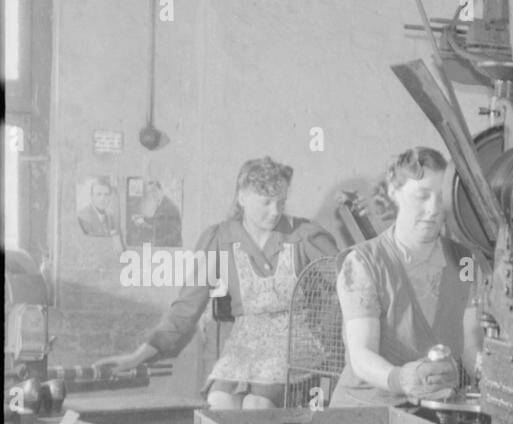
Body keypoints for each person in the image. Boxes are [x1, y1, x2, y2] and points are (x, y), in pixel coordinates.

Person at [95, 157, 337, 409]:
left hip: (296, 345)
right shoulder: (220, 238)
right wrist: (138, 356)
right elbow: (186, 308)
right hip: (246, 346)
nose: (275, 211)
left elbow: (348, 284)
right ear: (242, 198)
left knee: (257, 405)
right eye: (266, 202)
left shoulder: (304, 236)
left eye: (281, 202)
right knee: (219, 401)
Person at [330, 147, 482, 408]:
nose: (434, 209)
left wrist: (490, 376)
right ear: (394, 192)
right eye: (422, 196)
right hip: (366, 412)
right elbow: (362, 355)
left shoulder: (465, 261)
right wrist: (401, 379)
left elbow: (470, 344)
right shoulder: (362, 264)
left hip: (432, 412)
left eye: (441, 197)